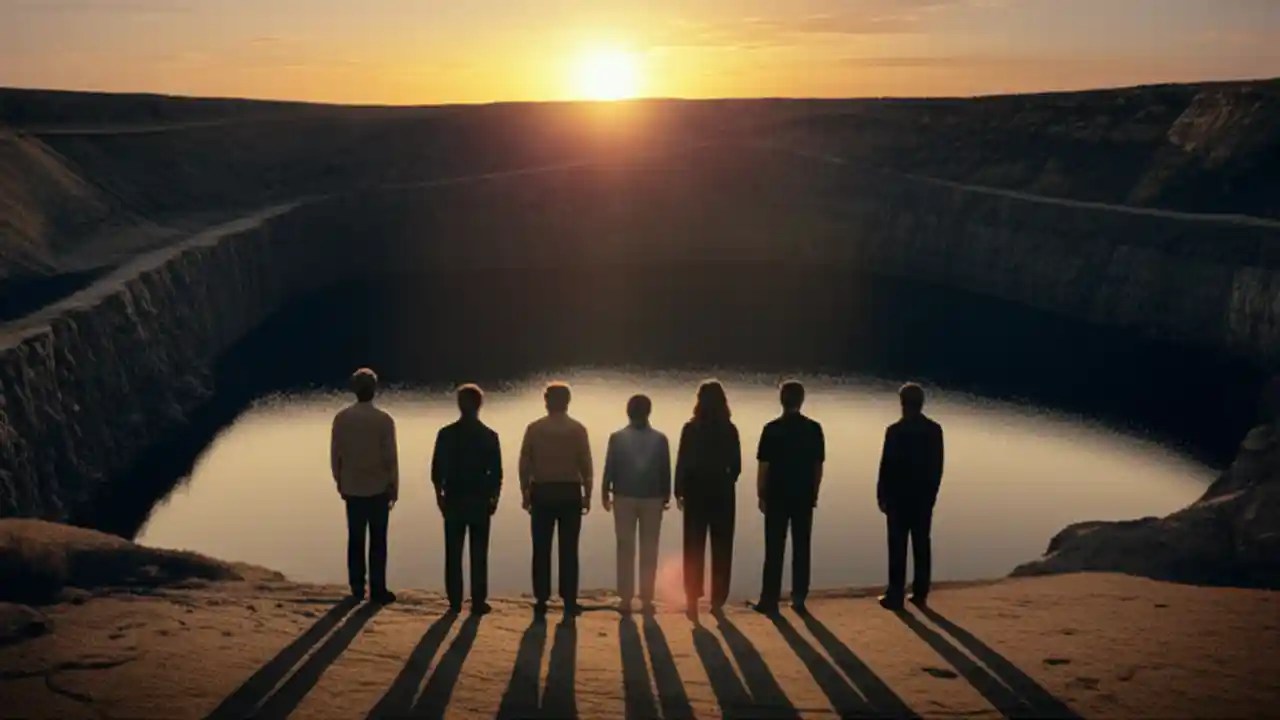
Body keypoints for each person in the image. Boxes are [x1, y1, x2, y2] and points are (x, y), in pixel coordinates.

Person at [519, 382, 593, 617]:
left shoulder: (534, 428)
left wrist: (525, 492)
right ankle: (569, 600)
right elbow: (586, 465)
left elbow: (524, 463)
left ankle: (541, 599)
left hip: (542, 491)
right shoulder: (578, 429)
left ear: (546, 401)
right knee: (569, 548)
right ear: (567, 402)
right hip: (569, 491)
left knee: (541, 548)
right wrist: (587, 494)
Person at [753, 380, 825, 615]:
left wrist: (761, 494)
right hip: (803, 495)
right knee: (802, 547)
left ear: (781, 400)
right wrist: (815, 492)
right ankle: (799, 597)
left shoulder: (771, 429)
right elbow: (817, 466)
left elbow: (764, 466)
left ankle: (769, 599)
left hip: (776, 495)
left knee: (774, 548)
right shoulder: (814, 429)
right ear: (801, 401)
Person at [431, 384, 502, 615]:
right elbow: (496, 473)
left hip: (454, 497)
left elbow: (436, 470)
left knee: (453, 551)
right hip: (480, 498)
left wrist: (439, 495)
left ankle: (454, 601)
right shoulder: (489, 436)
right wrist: (494, 498)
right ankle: (478, 601)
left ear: (459, 405)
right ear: (480, 405)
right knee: (479, 552)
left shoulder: (446, 434)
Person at [329, 367, 399, 604]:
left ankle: (357, 586)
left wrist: (339, 481)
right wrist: (394, 486)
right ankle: (378, 589)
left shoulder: (341, 418)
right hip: (378, 487)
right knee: (378, 540)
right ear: (374, 390)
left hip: (352, 486)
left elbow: (335, 454)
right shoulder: (383, 420)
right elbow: (390, 457)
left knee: (355, 538)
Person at [675, 380, 741, 622]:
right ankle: (718, 599)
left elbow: (682, 462)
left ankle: (692, 598)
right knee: (722, 545)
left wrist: (679, 490)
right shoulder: (729, 429)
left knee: (693, 545)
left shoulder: (690, 428)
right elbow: (737, 466)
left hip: (695, 491)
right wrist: (726, 480)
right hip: (722, 491)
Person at [602, 394, 672, 616]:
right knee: (649, 548)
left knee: (625, 547)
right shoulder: (660, 439)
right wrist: (666, 495)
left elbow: (609, 467)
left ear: (628, 412)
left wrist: (604, 491)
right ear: (648, 412)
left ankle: (625, 598)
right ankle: (647, 597)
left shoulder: (617, 437)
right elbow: (665, 469)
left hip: (623, 496)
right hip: (652, 497)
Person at [877, 382, 944, 610]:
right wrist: (932, 495)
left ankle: (895, 594)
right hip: (922, 498)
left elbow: (885, 466)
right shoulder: (934, 430)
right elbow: (937, 466)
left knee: (897, 546)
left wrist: (881, 493)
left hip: (897, 498)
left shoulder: (895, 430)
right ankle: (920, 592)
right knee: (921, 544)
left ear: (902, 403)